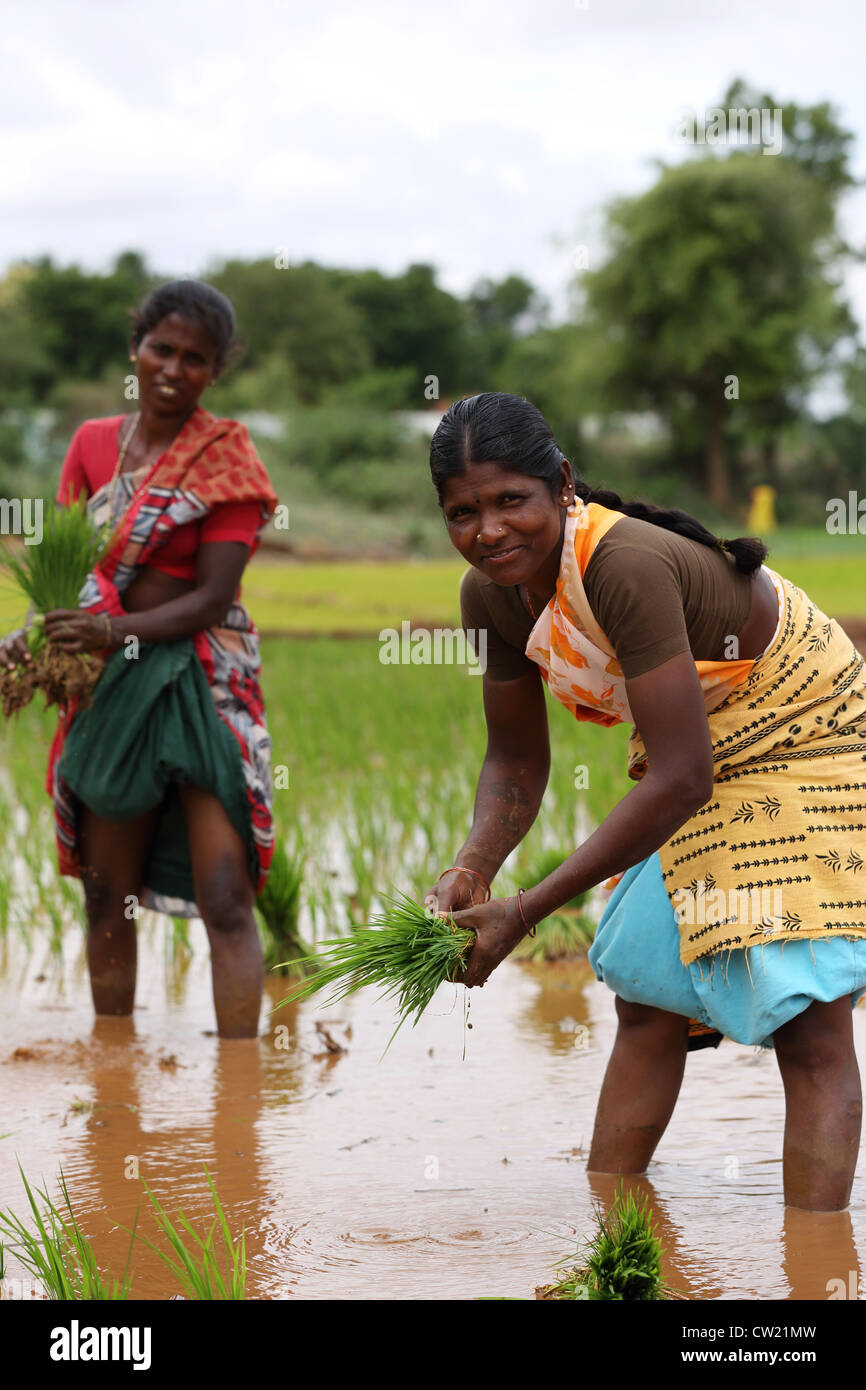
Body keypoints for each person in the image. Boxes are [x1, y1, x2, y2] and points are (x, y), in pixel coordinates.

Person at [425, 391, 866, 1212]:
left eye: (510, 501)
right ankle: (616, 1229)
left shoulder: (620, 565)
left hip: (805, 729)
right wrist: (473, 867)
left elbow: (679, 779)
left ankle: (818, 1272)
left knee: (809, 1029)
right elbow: (516, 756)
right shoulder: (489, 597)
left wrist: (523, 911)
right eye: (462, 512)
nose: (488, 531)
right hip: (701, 749)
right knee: (649, 999)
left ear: (561, 484)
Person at [0, 280, 278, 1038]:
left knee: (226, 896)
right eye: (161, 348)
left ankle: (239, 1100)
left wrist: (111, 631)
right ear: (136, 347)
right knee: (104, 892)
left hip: (201, 679)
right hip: (111, 683)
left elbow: (214, 598)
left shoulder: (226, 458)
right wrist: (33, 634)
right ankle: (113, 1076)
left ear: (214, 370)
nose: (172, 368)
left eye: (195, 358)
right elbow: (63, 568)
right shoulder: (92, 443)